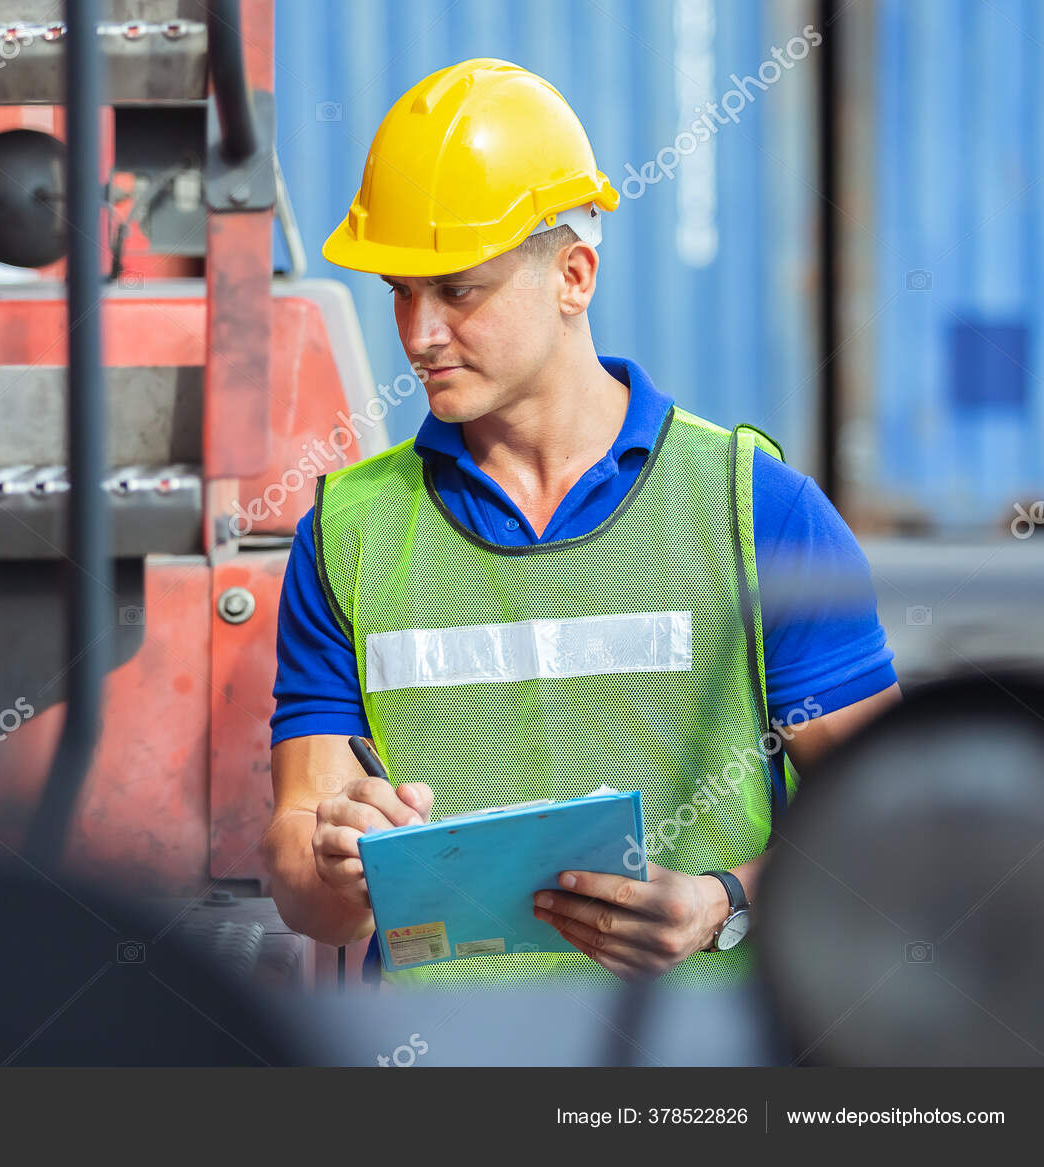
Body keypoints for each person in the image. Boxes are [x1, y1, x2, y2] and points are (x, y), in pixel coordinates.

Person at [263, 58, 899, 987]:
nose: (418, 334)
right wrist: (335, 861)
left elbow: (895, 828)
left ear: (573, 274)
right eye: (401, 290)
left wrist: (724, 901)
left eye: (459, 290)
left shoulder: (757, 510)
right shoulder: (347, 534)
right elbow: (297, 870)